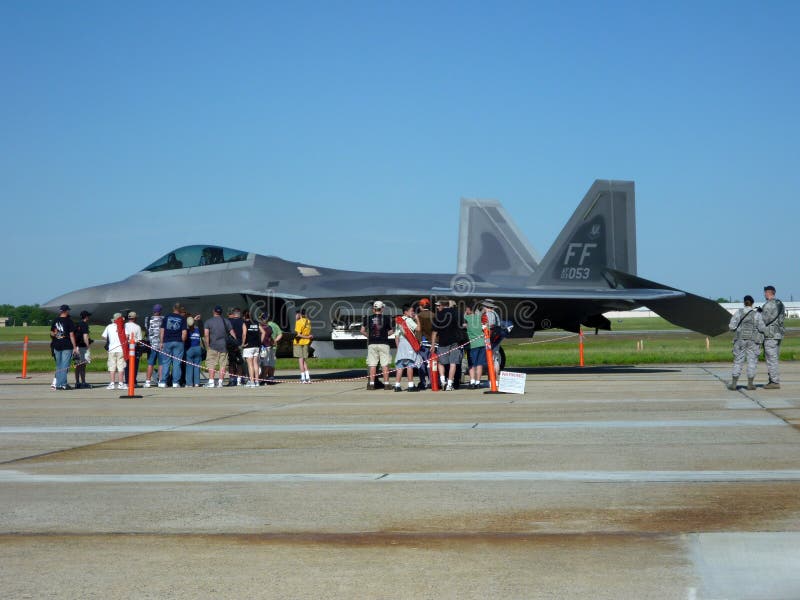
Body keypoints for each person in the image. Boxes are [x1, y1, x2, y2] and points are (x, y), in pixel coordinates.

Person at [727, 295, 760, 391]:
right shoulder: (757, 314)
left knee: (738, 361)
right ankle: (750, 384)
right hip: (752, 341)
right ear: (752, 303)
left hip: (740, 340)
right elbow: (762, 328)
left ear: (744, 302)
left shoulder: (738, 312)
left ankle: (733, 384)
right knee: (752, 362)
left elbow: (732, 327)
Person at [756, 285, 785, 389]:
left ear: (768, 292)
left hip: (770, 335)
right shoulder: (780, 303)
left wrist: (759, 313)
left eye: (765, 292)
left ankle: (774, 381)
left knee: (771, 359)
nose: (764, 294)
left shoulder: (768, 305)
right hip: (778, 334)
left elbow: (764, 320)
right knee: (775, 358)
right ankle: (773, 379)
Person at [431, 298, 463, 391]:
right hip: (455, 341)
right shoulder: (456, 314)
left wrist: (433, 345)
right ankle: (449, 384)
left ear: (441, 305)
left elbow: (434, 332)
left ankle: (442, 380)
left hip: (443, 342)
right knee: (453, 363)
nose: (437, 308)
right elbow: (463, 325)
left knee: (441, 362)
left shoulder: (437, 316)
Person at [361, 300, 393, 390]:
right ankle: (387, 384)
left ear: (374, 309)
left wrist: (369, 336)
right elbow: (391, 331)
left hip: (372, 344)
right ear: (382, 308)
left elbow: (362, 330)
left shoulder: (367, 318)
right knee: (385, 364)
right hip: (384, 343)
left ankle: (371, 384)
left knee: (372, 364)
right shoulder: (386, 318)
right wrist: (385, 335)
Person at [204, 305, 236, 388]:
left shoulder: (208, 322)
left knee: (211, 363)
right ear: (221, 312)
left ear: (214, 312)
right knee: (223, 364)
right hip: (224, 346)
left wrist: (207, 345)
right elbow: (232, 333)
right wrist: (235, 342)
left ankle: (211, 381)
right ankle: (220, 382)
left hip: (213, 345)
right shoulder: (226, 321)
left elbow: (206, 335)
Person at [50, 304, 78, 390]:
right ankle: (64, 384)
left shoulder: (55, 320)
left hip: (56, 345)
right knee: (65, 366)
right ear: (66, 311)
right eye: (68, 310)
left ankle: (58, 384)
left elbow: (51, 333)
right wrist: (74, 347)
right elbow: (72, 335)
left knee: (59, 365)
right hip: (67, 345)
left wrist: (56, 334)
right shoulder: (69, 321)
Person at [159, 303, 187, 388]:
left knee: (166, 362)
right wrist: (182, 341)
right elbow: (184, 333)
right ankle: (175, 382)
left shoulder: (166, 317)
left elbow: (162, 330)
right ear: (179, 310)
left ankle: (163, 382)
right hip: (178, 342)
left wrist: (161, 342)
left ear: (173, 308)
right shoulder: (182, 318)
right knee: (177, 363)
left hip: (167, 341)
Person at [393, 304, 420, 392]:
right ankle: (411, 385)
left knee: (400, 366)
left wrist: (398, 348)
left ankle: (397, 386)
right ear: (406, 312)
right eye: (411, 311)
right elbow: (418, 329)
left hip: (401, 344)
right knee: (410, 365)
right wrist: (417, 319)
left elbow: (396, 336)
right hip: (409, 344)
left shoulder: (399, 321)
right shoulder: (409, 320)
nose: (413, 313)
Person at [101, 312, 127, 390]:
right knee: (121, 367)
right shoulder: (123, 326)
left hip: (112, 349)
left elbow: (103, 336)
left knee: (112, 367)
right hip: (121, 349)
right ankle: (121, 383)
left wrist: (110, 340)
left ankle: (112, 383)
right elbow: (127, 336)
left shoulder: (109, 326)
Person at [464, 303, 487, 389]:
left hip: (472, 345)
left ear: (469, 309)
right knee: (479, 364)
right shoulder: (479, 316)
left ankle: (472, 381)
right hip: (482, 343)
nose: (465, 311)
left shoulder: (467, 318)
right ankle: (478, 382)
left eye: (466, 309)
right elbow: (484, 311)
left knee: (471, 364)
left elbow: (463, 317)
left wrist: (466, 314)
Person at [241, 310, 264, 387]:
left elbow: (244, 334)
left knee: (250, 365)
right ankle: (257, 381)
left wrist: (243, 344)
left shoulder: (245, 323)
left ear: (244, 316)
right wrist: (260, 342)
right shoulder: (256, 323)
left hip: (248, 346)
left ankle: (252, 381)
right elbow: (263, 332)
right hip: (256, 346)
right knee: (256, 364)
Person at [143, 304, 164, 388]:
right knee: (161, 364)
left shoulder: (148, 319)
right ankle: (160, 381)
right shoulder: (163, 319)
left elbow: (146, 328)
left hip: (151, 345)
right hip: (161, 345)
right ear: (160, 311)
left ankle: (148, 381)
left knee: (150, 364)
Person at [259, 314, 283, 384]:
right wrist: (275, 340)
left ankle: (262, 378)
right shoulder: (274, 325)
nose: (260, 320)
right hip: (273, 347)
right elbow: (280, 334)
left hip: (265, 347)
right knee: (271, 363)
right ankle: (271, 377)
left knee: (264, 363)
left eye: (261, 319)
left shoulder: (262, 326)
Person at [415, 298, 433, 390]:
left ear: (421, 306)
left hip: (422, 343)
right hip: (433, 343)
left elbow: (418, 330)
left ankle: (423, 382)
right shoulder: (434, 315)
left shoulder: (418, 316)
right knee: (431, 363)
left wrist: (417, 341)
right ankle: (432, 381)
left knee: (421, 364)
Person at [123, 311, 143, 387]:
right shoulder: (137, 327)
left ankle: (127, 381)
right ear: (135, 318)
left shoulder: (124, 325)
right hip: (134, 347)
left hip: (125, 347)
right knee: (134, 365)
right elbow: (139, 340)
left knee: (126, 365)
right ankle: (133, 381)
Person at [293, 308, 313, 383]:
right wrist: (308, 337)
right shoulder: (308, 321)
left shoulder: (298, 322)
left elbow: (298, 334)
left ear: (299, 314)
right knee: (304, 360)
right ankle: (308, 377)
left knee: (300, 360)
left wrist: (296, 320)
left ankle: (303, 377)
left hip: (299, 343)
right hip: (306, 342)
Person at [227, 308, 245, 386]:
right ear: (239, 314)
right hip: (240, 344)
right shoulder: (243, 322)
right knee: (240, 362)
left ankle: (232, 379)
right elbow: (245, 333)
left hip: (231, 344)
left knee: (231, 363)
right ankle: (239, 380)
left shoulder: (228, 322)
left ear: (233, 314)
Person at [74, 310, 92, 389]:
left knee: (77, 365)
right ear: (86, 317)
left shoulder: (77, 324)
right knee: (83, 365)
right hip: (82, 347)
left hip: (76, 346)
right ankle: (83, 382)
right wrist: (88, 346)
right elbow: (85, 336)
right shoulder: (84, 324)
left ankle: (77, 382)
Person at [185, 316, 204, 387]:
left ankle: (189, 383)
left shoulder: (186, 330)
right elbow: (202, 329)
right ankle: (197, 383)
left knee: (189, 366)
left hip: (189, 349)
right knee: (197, 366)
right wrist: (197, 320)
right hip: (198, 348)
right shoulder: (198, 329)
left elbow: (187, 324)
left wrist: (192, 319)